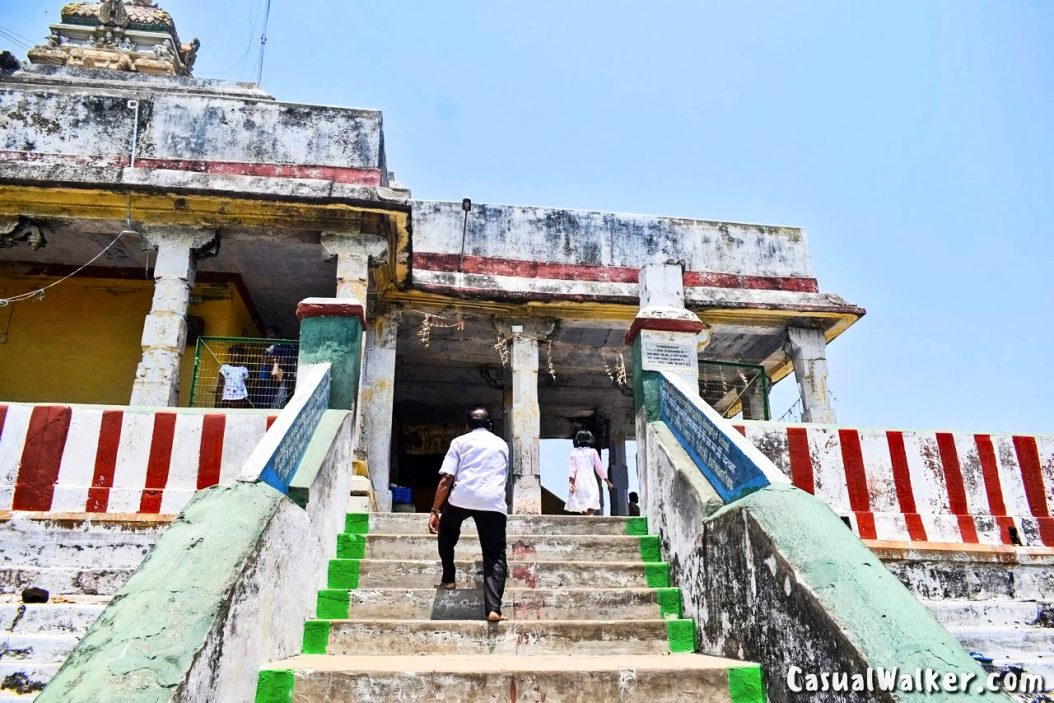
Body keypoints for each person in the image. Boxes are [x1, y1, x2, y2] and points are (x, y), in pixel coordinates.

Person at [428, 407, 509, 622]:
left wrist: (436, 510)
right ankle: (494, 609)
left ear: (467, 426)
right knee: (495, 555)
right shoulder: (502, 444)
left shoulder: (459, 442)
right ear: (489, 425)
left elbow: (447, 479)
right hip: (493, 502)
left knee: (446, 532)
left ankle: (448, 578)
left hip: (462, 498)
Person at [565, 430, 613, 515]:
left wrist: (571, 483)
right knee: (592, 501)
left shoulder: (574, 454)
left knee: (582, 504)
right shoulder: (593, 452)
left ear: (577, 440)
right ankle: (590, 517)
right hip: (590, 480)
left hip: (579, 481)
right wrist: (607, 482)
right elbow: (599, 469)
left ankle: (586, 517)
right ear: (590, 439)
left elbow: (572, 470)